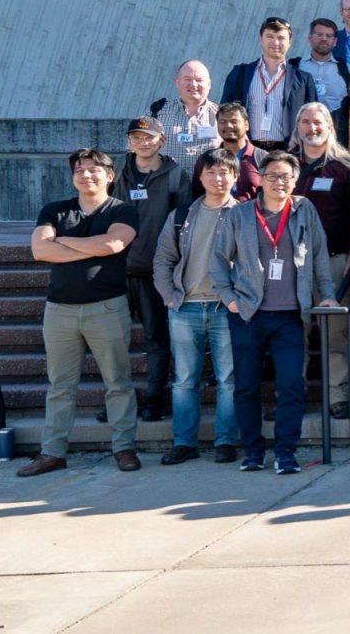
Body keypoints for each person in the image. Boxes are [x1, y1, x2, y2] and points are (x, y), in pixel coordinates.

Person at [211, 150, 338, 473]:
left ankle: (285, 452)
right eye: (272, 176)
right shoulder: (239, 215)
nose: (279, 182)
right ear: (260, 180)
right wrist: (229, 299)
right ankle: (253, 451)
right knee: (247, 385)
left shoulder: (303, 209)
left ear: (295, 180)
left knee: (292, 384)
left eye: (286, 177)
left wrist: (326, 295)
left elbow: (320, 255)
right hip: (248, 314)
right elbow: (218, 260)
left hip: (290, 316)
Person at [19, 149, 143, 477]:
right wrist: (89, 245)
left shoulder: (124, 210)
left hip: (107, 307)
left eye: (93, 169)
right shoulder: (55, 210)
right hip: (59, 310)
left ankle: (124, 448)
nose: (86, 175)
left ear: (110, 175)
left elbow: (113, 246)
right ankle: (53, 452)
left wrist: (65, 242)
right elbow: (40, 250)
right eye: (79, 170)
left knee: (117, 382)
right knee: (61, 385)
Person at [151, 148, 241, 464]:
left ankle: (226, 441)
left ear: (235, 176)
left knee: (228, 379)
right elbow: (163, 258)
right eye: (211, 172)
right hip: (184, 307)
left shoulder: (243, 214)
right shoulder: (181, 215)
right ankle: (184, 443)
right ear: (200, 177)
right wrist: (168, 296)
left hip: (224, 309)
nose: (218, 178)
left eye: (225, 172)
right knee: (184, 380)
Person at [290, 103, 350, 419]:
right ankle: (295, 394)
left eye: (317, 121)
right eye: (305, 121)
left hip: (334, 260)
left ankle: (337, 396)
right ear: (297, 127)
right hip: (290, 263)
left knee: (335, 333)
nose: (311, 127)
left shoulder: (346, 168)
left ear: (329, 127)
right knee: (294, 333)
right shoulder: (285, 164)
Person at [115, 116, 188, 423]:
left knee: (157, 339)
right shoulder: (116, 171)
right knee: (112, 341)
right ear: (129, 141)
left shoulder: (175, 175)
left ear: (161, 140)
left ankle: (155, 401)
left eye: (148, 137)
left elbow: (183, 224)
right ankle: (117, 403)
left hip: (154, 271)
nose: (142, 142)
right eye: (136, 137)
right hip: (115, 268)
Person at [220, 17, 319, 151]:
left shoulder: (303, 80)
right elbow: (224, 110)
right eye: (270, 36)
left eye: (281, 37)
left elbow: (313, 117)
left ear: (290, 42)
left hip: (287, 152)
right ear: (261, 38)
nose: (275, 42)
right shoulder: (240, 73)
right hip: (247, 149)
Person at [151, 59, 221, 170]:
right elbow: (134, 147)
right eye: (187, 79)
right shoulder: (157, 112)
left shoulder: (222, 115)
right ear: (177, 82)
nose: (193, 84)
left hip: (209, 185)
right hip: (166, 185)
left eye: (199, 80)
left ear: (209, 84)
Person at [296, 17, 348, 111]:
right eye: (319, 34)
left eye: (329, 36)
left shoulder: (348, 71)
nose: (324, 39)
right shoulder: (295, 67)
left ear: (335, 41)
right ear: (310, 38)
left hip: (335, 124)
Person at [214, 103, 264, 201]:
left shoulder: (263, 158)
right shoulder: (207, 159)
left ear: (246, 125)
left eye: (234, 121)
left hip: (251, 214)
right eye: (223, 121)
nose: (228, 125)